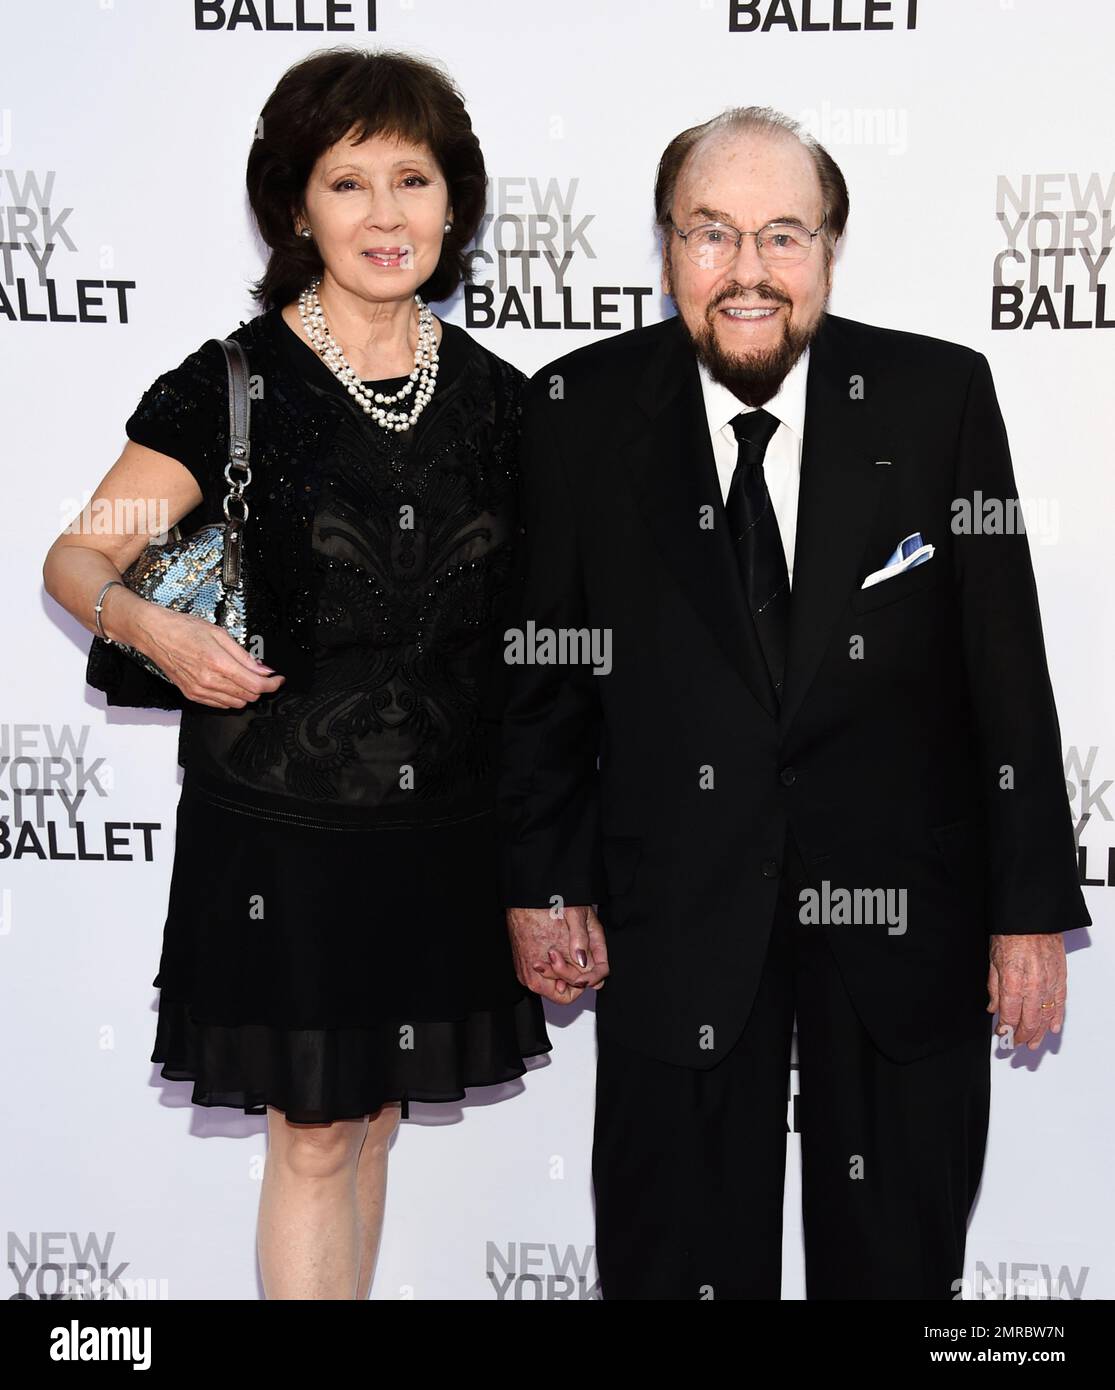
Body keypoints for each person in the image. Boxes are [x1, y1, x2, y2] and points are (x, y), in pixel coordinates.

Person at [498, 105, 1090, 1300]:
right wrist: (540, 879)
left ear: (828, 247)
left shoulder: (937, 397)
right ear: (665, 248)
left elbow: (1003, 668)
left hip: (901, 915)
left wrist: (1027, 909)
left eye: (782, 235)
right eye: (711, 234)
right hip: (676, 909)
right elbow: (544, 673)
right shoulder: (577, 410)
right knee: (674, 1265)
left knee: (894, 1266)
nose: (748, 272)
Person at [42, 46, 549, 1301]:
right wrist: (154, 629)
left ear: (454, 202)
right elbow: (75, 559)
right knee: (314, 1132)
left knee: (371, 1120)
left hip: (445, 827)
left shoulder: (503, 402)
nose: (387, 216)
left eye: (413, 180)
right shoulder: (233, 385)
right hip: (284, 834)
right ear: (296, 206)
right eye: (348, 182)